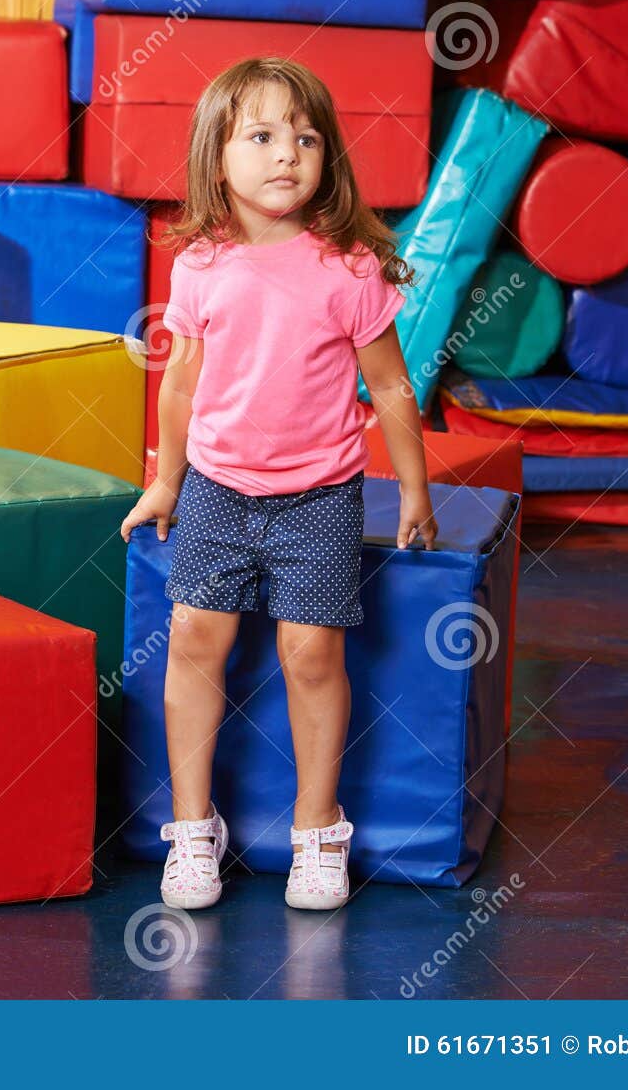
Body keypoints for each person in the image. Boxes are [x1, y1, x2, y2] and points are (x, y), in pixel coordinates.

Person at [118, 57, 437, 912]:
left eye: (305, 138)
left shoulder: (348, 267)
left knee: (310, 651)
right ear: (216, 154)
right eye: (260, 137)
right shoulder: (201, 266)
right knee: (192, 640)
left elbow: (392, 385)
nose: (287, 155)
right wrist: (165, 484)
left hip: (319, 495)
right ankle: (192, 829)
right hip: (220, 491)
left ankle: (318, 828)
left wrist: (414, 489)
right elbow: (180, 385)